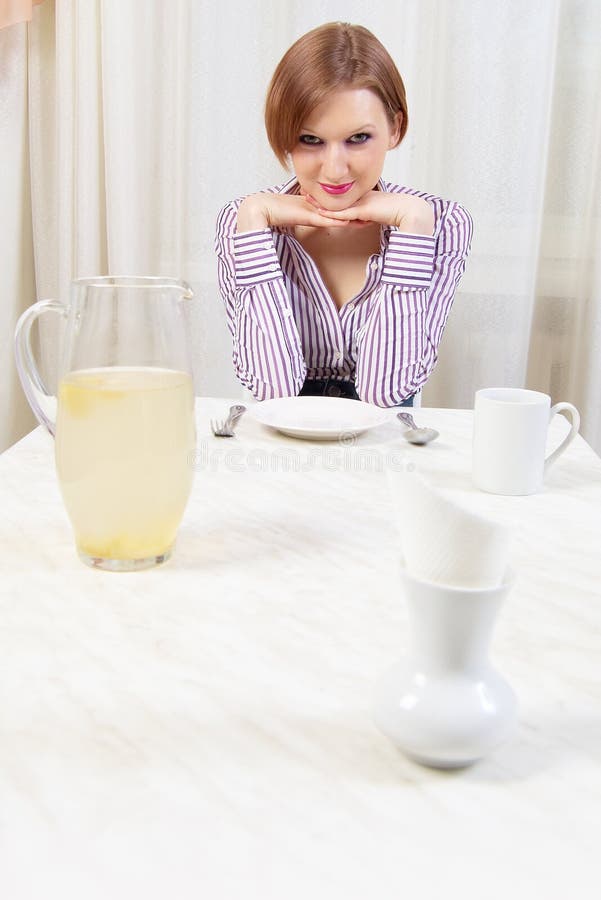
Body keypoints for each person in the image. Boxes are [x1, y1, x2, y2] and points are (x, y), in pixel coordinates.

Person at [215, 21, 473, 407]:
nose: (334, 169)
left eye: (358, 138)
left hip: (385, 457)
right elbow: (272, 390)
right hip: (278, 456)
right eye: (310, 140)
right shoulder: (243, 221)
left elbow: (385, 393)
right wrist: (253, 219)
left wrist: (414, 223)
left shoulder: (442, 223)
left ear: (395, 128)